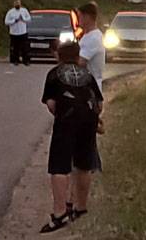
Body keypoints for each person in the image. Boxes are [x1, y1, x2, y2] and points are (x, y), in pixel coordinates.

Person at [39, 41, 102, 233]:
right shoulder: (87, 74)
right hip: (89, 120)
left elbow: (51, 103)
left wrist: (62, 114)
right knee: (84, 163)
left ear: (59, 56)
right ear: (77, 55)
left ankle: (60, 213)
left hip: (66, 120)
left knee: (59, 166)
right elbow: (99, 103)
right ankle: (80, 207)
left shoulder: (54, 74)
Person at [75, 3, 105, 89]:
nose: (77, 20)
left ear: (87, 17)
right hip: (85, 84)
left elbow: (81, 62)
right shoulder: (87, 36)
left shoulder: (94, 38)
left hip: (91, 86)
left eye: (79, 16)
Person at [4, 0, 31, 66]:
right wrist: (14, 21)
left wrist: (23, 19)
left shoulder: (24, 11)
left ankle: (25, 61)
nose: (17, 5)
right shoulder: (10, 12)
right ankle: (15, 60)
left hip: (23, 32)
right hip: (14, 33)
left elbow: (29, 19)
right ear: (14, 4)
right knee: (15, 48)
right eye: (16, 4)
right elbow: (6, 22)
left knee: (24, 47)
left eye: (18, 4)